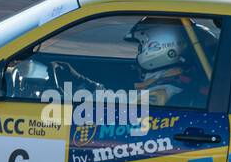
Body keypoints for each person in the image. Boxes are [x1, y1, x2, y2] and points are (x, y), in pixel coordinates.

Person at [52, 16, 212, 109]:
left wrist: (70, 95)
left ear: (160, 46)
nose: (139, 51)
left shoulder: (164, 91)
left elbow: (113, 109)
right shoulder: (168, 80)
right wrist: (80, 80)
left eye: (142, 46)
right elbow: (117, 99)